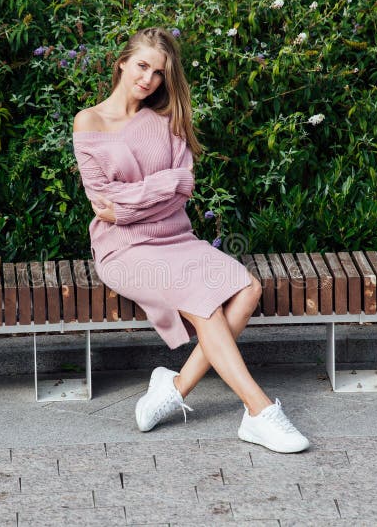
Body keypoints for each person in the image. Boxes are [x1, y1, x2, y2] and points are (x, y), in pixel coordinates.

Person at [72, 27, 309, 453]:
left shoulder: (166, 120)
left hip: (177, 237)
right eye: (142, 65)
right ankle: (259, 412)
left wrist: (136, 199)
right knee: (204, 306)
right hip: (123, 249)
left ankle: (175, 387)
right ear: (122, 62)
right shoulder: (88, 122)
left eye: (158, 73)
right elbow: (101, 202)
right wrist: (160, 187)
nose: (148, 79)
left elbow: (181, 189)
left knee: (248, 288)